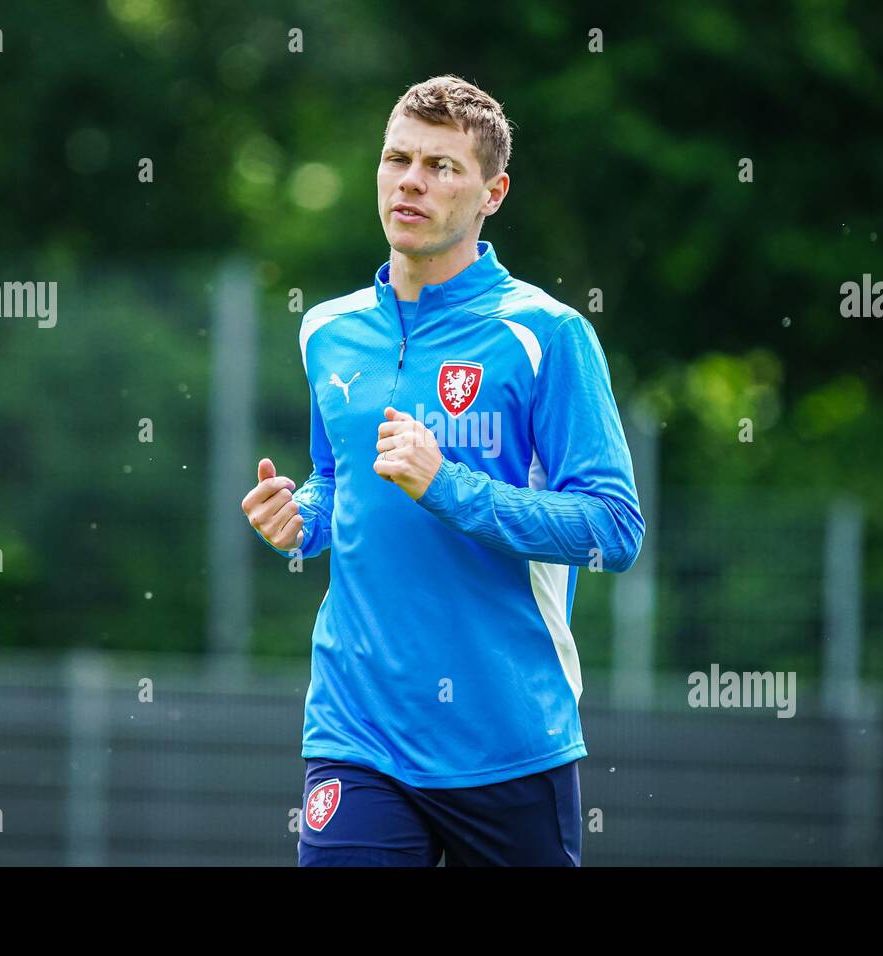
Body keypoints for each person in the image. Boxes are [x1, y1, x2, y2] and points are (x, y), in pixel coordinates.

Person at [241, 75, 644, 866]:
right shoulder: (327, 329)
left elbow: (614, 528)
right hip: (358, 731)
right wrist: (303, 517)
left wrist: (450, 487)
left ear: (493, 191)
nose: (411, 181)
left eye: (441, 166)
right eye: (397, 159)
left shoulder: (546, 335)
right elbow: (338, 480)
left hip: (508, 739)